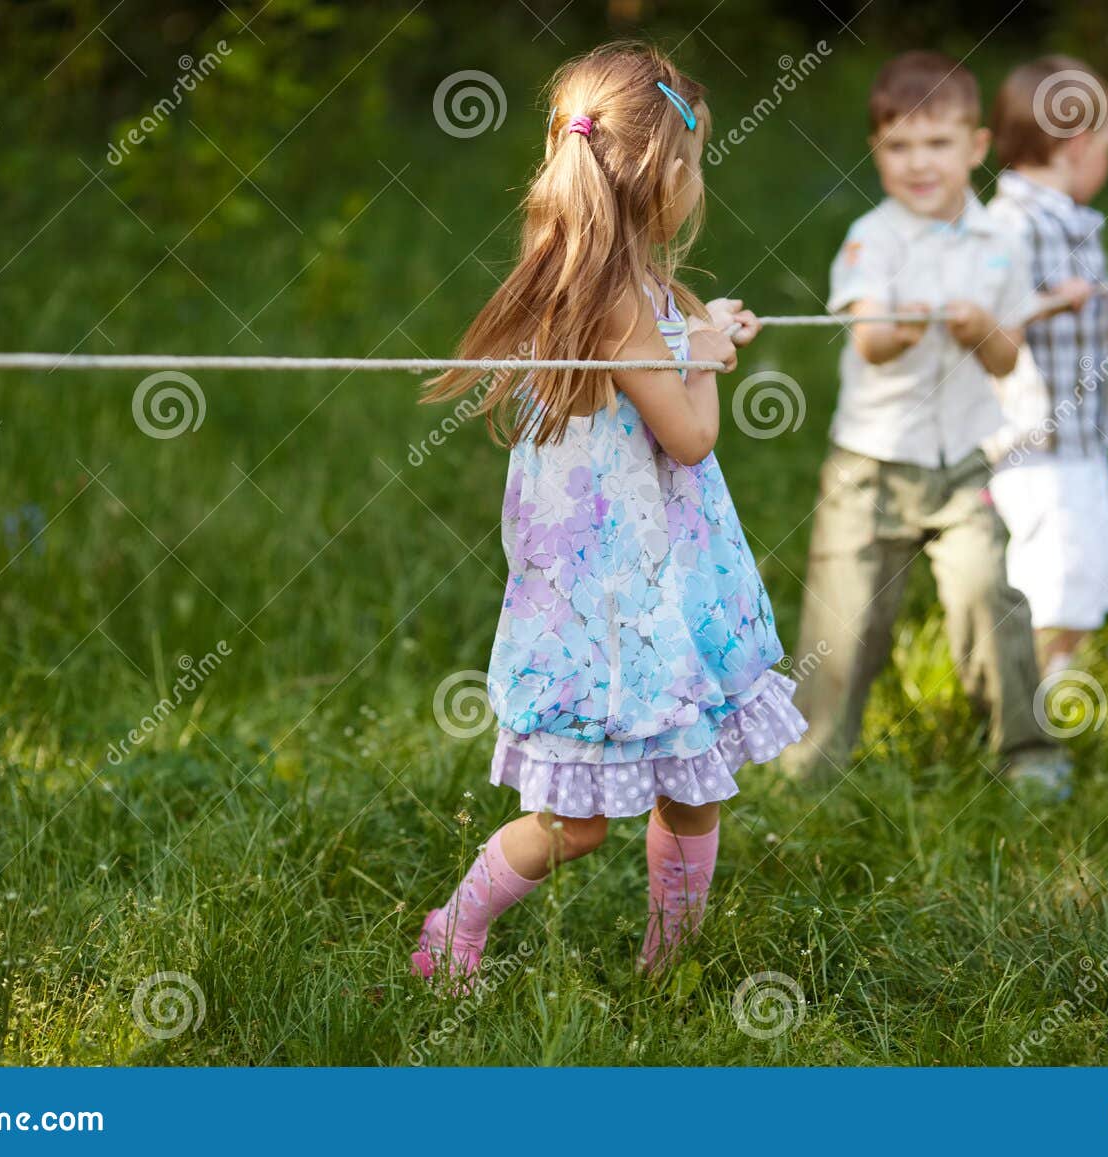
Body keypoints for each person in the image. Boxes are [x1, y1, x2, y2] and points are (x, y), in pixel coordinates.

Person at [411, 43, 807, 983]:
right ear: (665, 173)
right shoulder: (619, 305)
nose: (699, 182)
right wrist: (705, 360)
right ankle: (452, 926)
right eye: (697, 162)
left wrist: (706, 327)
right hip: (618, 603)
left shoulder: (619, 284)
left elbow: (675, 337)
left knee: (693, 785)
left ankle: (669, 965)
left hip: (662, 580)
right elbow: (691, 438)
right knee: (576, 821)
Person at [781, 50, 1072, 799]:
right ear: (877, 152)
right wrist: (901, 326)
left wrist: (979, 329)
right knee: (844, 618)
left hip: (964, 462)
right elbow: (870, 342)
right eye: (899, 145)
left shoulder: (999, 243)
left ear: (975, 148)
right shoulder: (870, 238)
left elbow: (1007, 360)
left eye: (938, 144)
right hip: (870, 466)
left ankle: (1025, 749)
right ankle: (810, 761)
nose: (919, 163)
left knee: (986, 593)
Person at [986, 55, 1108, 678]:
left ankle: (1053, 692)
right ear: (1080, 144)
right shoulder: (1011, 223)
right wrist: (1042, 303)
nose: (1107, 163)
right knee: (1050, 579)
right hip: (1034, 442)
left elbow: (1099, 327)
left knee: (1086, 572)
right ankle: (1025, 716)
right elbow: (986, 324)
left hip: (1081, 436)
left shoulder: (1076, 224)